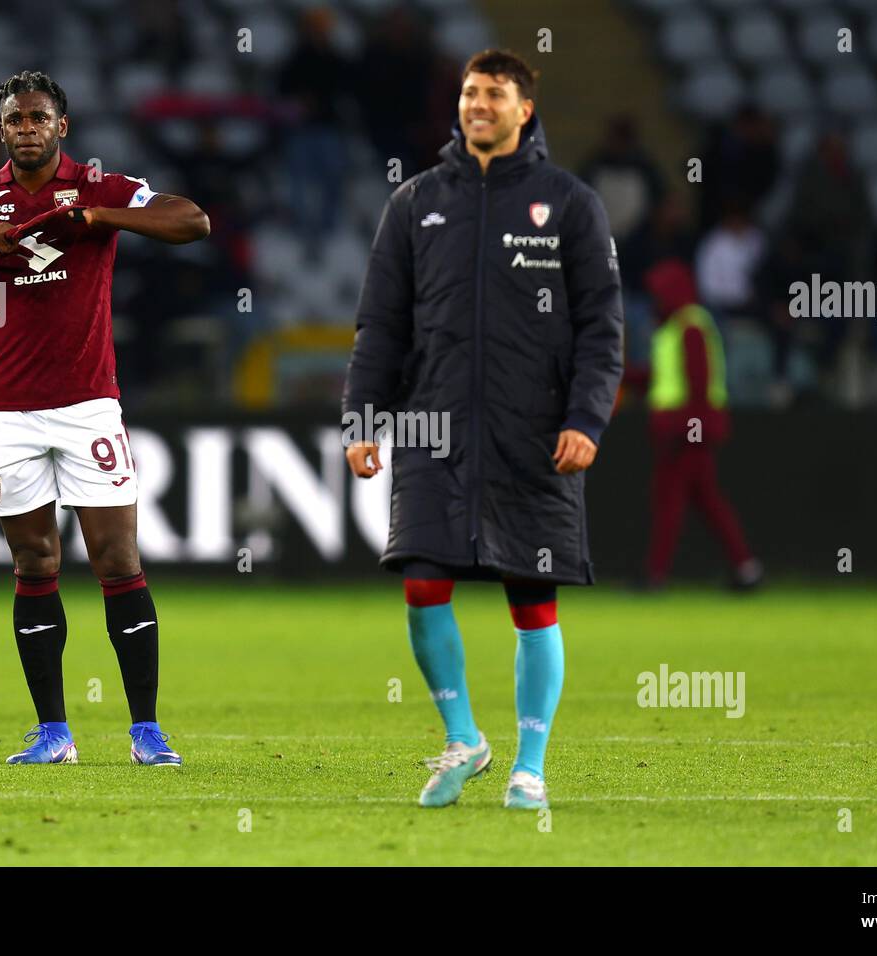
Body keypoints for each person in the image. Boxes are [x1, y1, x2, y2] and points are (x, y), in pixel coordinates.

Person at [0, 71, 210, 765]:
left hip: (88, 403)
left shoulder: (99, 186)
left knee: (118, 559)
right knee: (34, 562)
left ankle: (146, 730)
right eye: (14, 118)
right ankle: (53, 733)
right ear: (1, 129)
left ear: (63, 124)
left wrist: (102, 220)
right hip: (5, 412)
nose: (25, 127)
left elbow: (192, 220)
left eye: (37, 116)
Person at [342, 50, 622, 810]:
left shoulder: (569, 203)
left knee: (532, 597)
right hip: (433, 426)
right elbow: (381, 326)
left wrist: (586, 416)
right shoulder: (415, 202)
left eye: (494, 94)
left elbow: (603, 326)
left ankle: (530, 763)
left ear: (524, 109)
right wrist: (365, 417)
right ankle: (464, 738)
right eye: (470, 93)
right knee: (423, 583)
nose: (478, 105)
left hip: (533, 430)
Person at [641, 259, 761, 590]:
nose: (655, 298)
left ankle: (655, 577)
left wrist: (688, 433)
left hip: (687, 435)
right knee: (707, 502)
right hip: (689, 433)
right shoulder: (677, 326)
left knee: (671, 502)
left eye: (659, 292)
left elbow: (698, 386)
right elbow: (666, 378)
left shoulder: (689, 327)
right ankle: (747, 570)